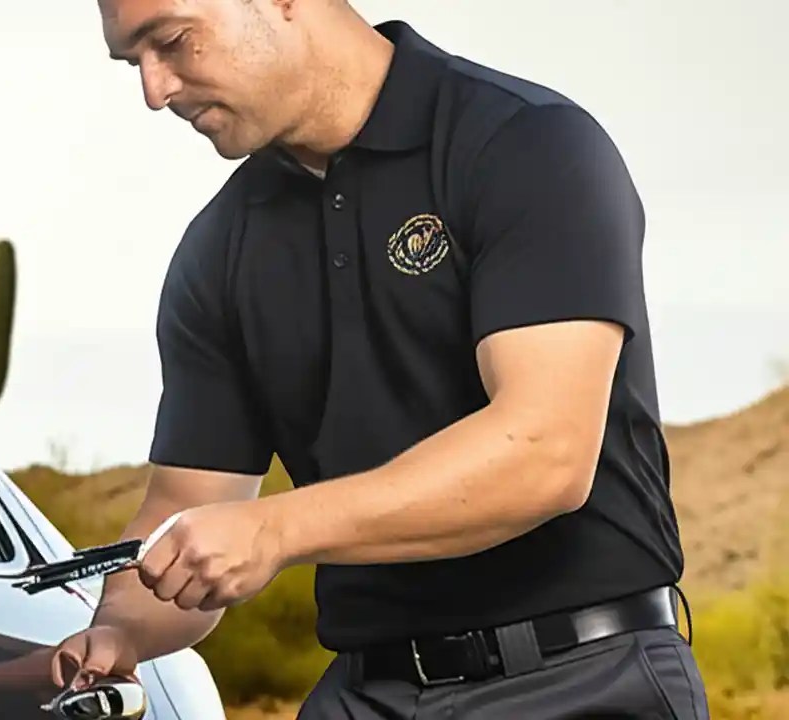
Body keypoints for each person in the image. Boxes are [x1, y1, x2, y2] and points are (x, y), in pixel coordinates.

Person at [53, 0, 710, 718]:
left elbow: (544, 454)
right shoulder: (218, 252)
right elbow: (184, 511)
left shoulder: (527, 146)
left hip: (585, 680)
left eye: (173, 42)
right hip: (368, 692)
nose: (155, 91)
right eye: (133, 63)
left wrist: (274, 530)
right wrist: (120, 631)